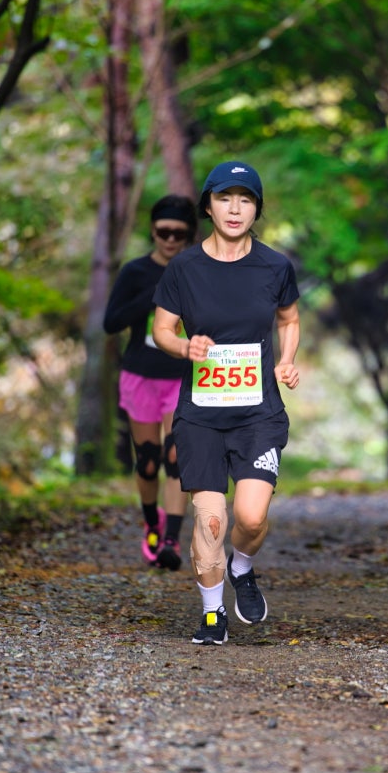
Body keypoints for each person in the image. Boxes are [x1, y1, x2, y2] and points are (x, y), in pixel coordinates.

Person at [152, 160, 300, 645]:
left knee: (251, 518)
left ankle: (243, 566)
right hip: (200, 417)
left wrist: (286, 360)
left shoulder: (275, 265)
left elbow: (288, 319)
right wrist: (184, 347)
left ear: (256, 208)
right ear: (209, 206)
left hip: (259, 414)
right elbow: (162, 328)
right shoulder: (185, 267)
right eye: (224, 198)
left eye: (246, 199)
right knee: (211, 520)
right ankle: (212, 615)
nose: (235, 208)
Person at [104, 195, 197, 568]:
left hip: (182, 377)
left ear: (190, 234)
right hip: (140, 375)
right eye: (163, 232)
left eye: (179, 233)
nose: (171, 240)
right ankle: (152, 524)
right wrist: (153, 295)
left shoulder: (197, 271)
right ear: (153, 232)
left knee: (176, 457)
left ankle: (172, 539)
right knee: (147, 462)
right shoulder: (135, 272)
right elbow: (110, 323)